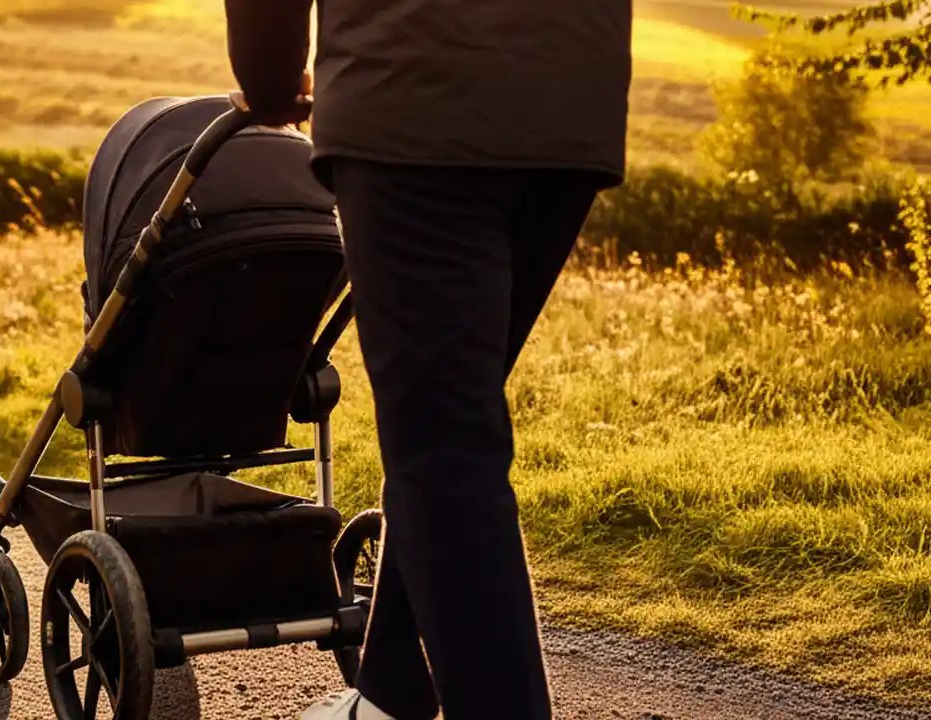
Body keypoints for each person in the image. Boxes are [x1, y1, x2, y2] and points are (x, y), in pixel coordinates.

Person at [223, 1, 632, 717]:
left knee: (444, 448)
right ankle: (389, 695)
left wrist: (268, 77)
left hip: (415, 95)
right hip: (571, 99)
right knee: (445, 433)